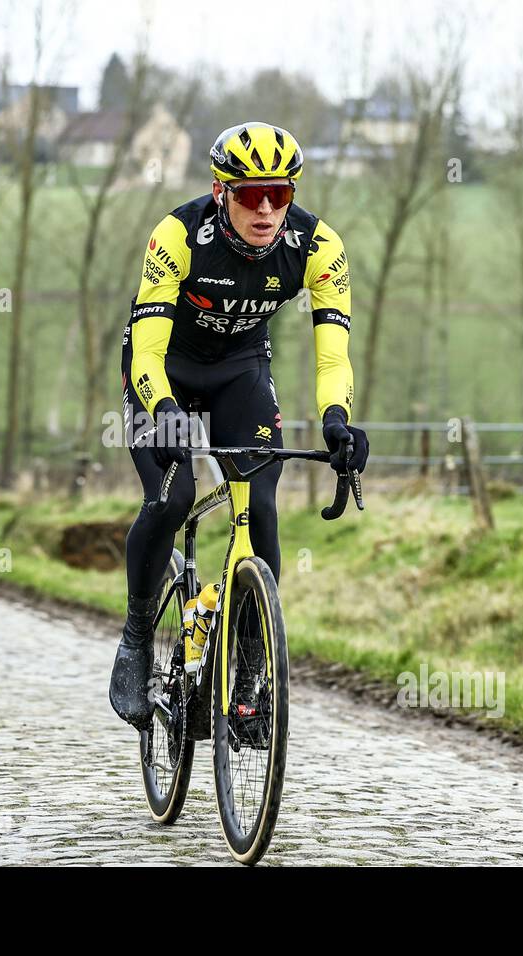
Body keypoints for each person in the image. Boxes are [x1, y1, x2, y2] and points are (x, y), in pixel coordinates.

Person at [109, 122, 370, 728]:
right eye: (250, 194)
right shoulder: (177, 235)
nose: (265, 208)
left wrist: (338, 420)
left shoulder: (318, 247)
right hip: (164, 368)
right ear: (220, 190)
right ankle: (137, 632)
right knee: (172, 497)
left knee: (263, 502)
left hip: (239, 372)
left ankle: (251, 670)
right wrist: (163, 410)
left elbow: (333, 356)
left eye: (279, 194)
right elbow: (146, 352)